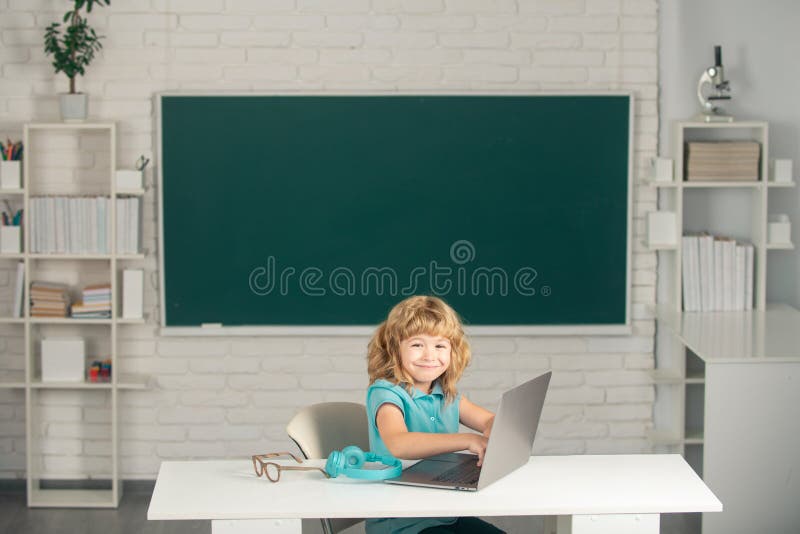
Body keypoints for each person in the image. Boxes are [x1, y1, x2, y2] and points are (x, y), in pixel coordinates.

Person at [365, 295, 505, 534]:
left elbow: (490, 420)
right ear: (394, 349)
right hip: (402, 523)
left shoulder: (446, 394)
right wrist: (468, 439)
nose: (430, 356)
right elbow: (399, 443)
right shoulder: (385, 393)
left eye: (440, 345)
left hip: (444, 515)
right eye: (417, 345)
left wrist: (495, 429)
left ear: (453, 352)